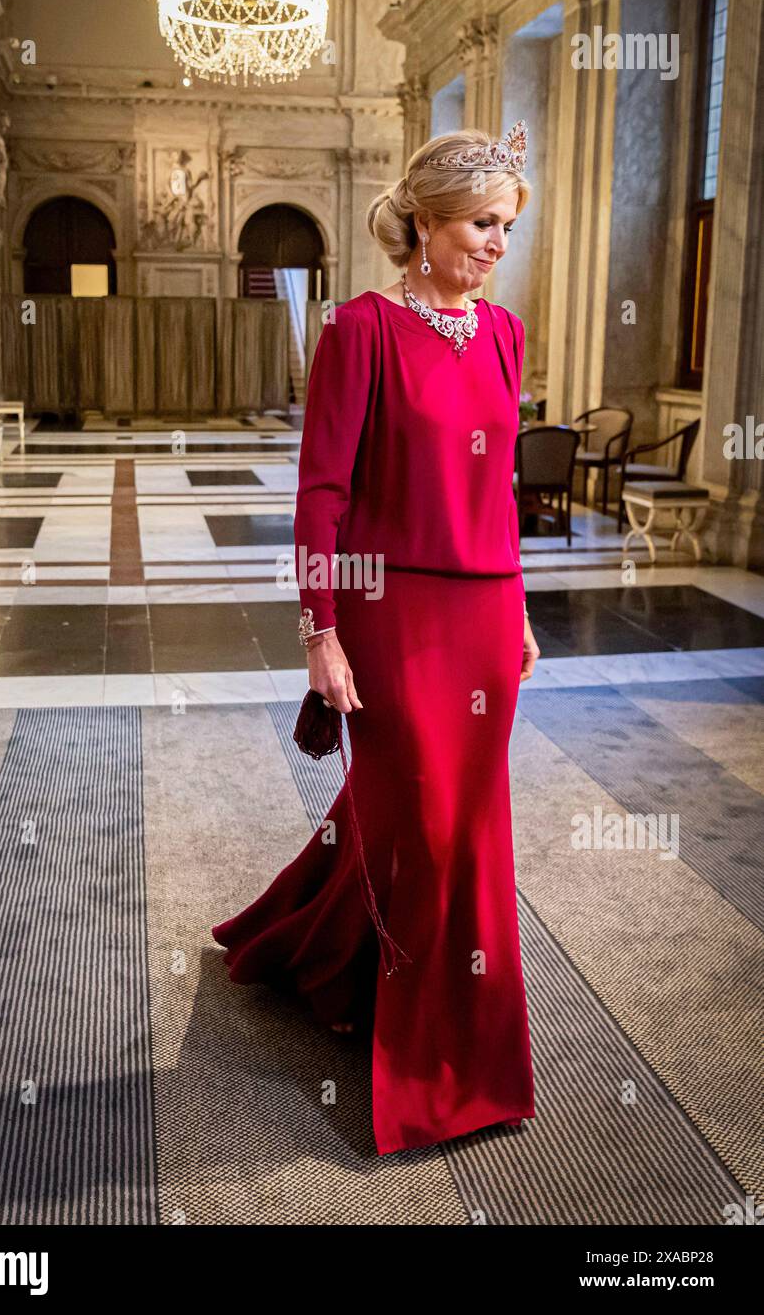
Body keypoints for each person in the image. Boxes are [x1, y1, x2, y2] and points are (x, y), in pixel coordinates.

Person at [212, 123, 541, 1156]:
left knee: (459, 826)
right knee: (431, 829)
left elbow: (501, 488)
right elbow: (323, 493)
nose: (495, 244)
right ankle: (435, 1063)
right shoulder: (360, 330)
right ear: (427, 223)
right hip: (393, 616)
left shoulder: (504, 334)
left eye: (505, 227)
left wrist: (521, 605)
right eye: (482, 224)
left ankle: (337, 957)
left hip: (484, 616)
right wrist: (323, 634)